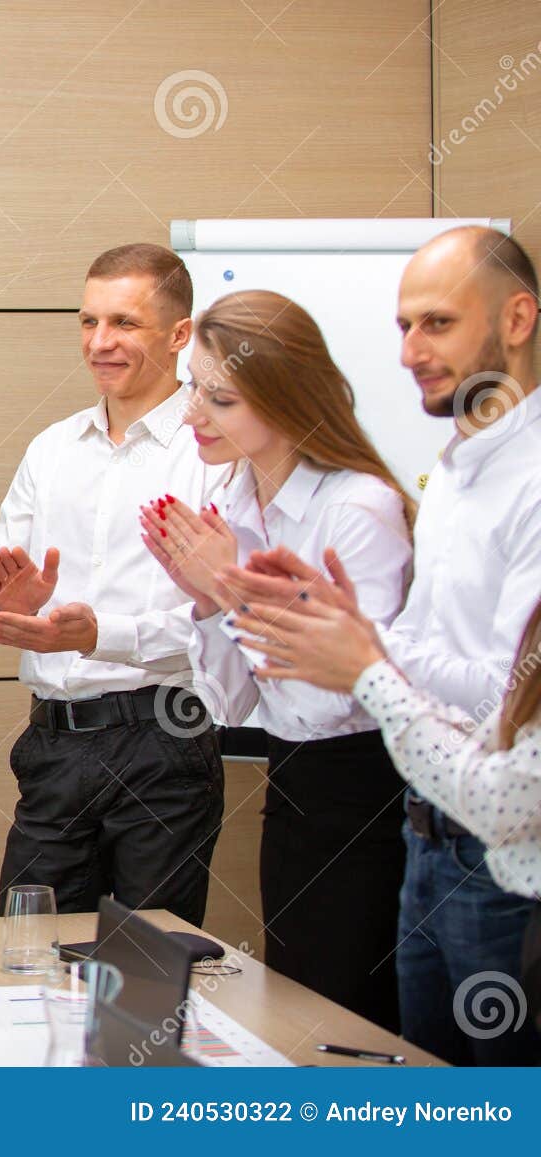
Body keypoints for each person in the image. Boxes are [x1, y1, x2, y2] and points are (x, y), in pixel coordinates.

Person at [220, 225, 541, 1065]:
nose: (408, 351)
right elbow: (432, 655)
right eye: (402, 326)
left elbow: (511, 698)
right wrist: (349, 632)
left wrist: (363, 655)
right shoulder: (463, 464)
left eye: (436, 322)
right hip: (422, 833)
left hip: (504, 854)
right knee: (419, 1093)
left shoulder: (532, 477)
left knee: (494, 1105)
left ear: (517, 317)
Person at [135, 289, 413, 1029]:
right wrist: (203, 601)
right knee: (297, 1007)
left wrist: (230, 594)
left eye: (220, 399)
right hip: (290, 789)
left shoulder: (356, 508)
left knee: (350, 1017)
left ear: (285, 396)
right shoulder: (236, 499)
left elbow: (339, 698)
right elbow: (230, 708)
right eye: (194, 386)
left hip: (364, 792)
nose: (193, 413)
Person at [0, 243, 229, 925]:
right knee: (23, 956)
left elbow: (226, 622)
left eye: (124, 324)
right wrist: (7, 606)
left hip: (164, 742)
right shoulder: (52, 448)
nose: (100, 343)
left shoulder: (217, 450)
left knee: (144, 971)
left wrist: (97, 635)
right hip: (55, 746)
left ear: (179, 335)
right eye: (88, 322)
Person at [223, 565, 541, 1047]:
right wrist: (370, 648)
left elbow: (501, 800)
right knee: (425, 1073)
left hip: (504, 886)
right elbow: (494, 738)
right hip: (430, 838)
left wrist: (371, 672)